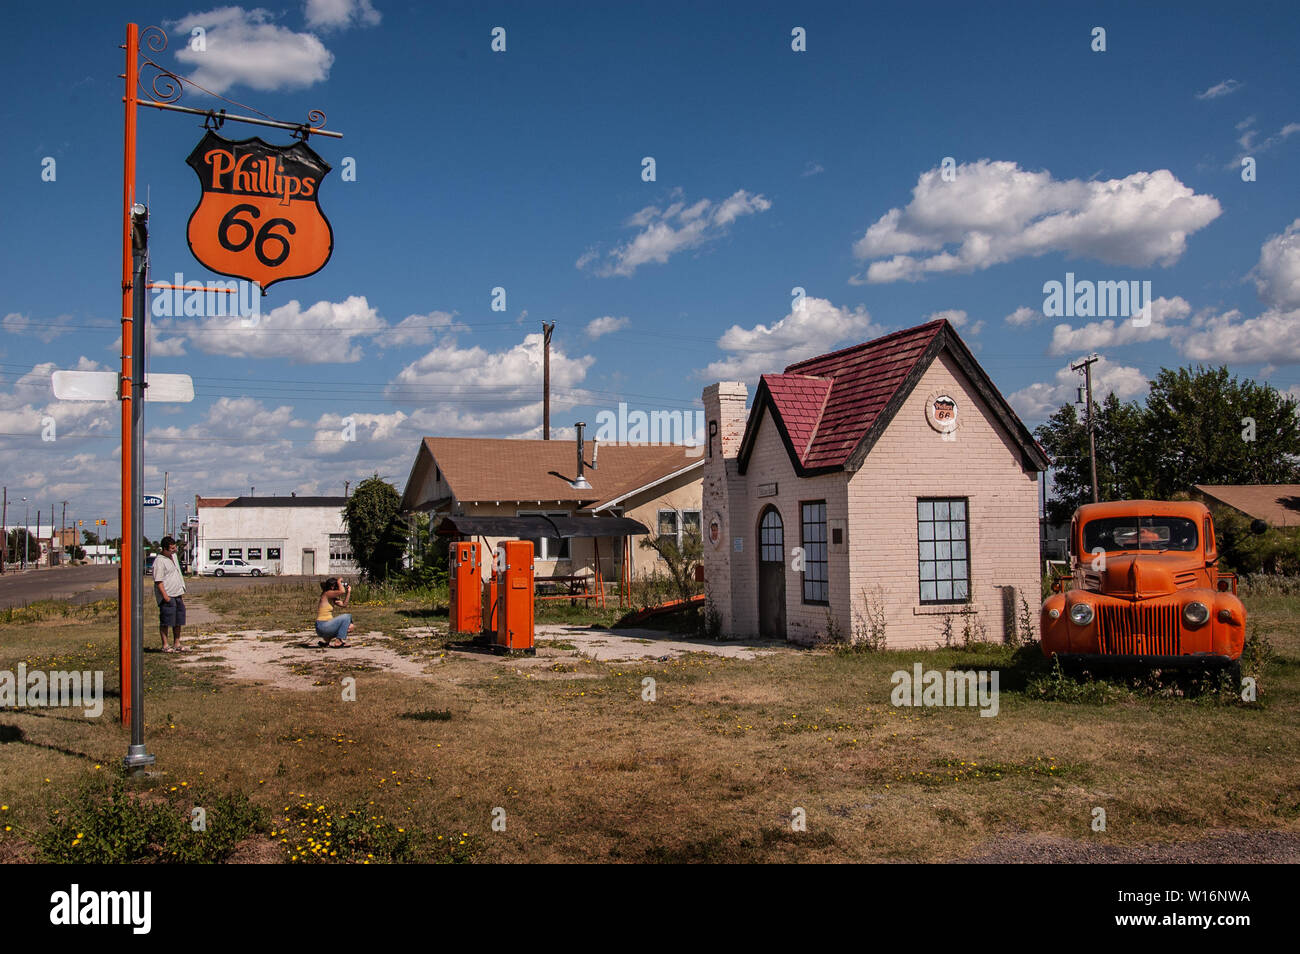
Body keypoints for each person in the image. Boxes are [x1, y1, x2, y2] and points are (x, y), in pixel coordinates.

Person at [153, 535, 187, 652]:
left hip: (177, 594)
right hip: (168, 596)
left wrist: (181, 593)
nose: (174, 550)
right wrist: (165, 597)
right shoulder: (159, 561)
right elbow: (158, 581)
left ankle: (177, 643)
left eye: (175, 547)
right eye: (172, 548)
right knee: (166, 621)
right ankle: (165, 645)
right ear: (164, 548)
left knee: (178, 621)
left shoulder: (174, 557)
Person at [316, 577, 355, 647]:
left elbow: (344, 604)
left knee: (350, 627)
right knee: (347, 616)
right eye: (336, 585)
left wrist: (349, 592)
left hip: (325, 626)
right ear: (332, 586)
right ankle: (338, 641)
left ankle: (327, 642)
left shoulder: (331, 597)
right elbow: (342, 591)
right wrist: (339, 581)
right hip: (322, 625)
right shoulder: (327, 593)